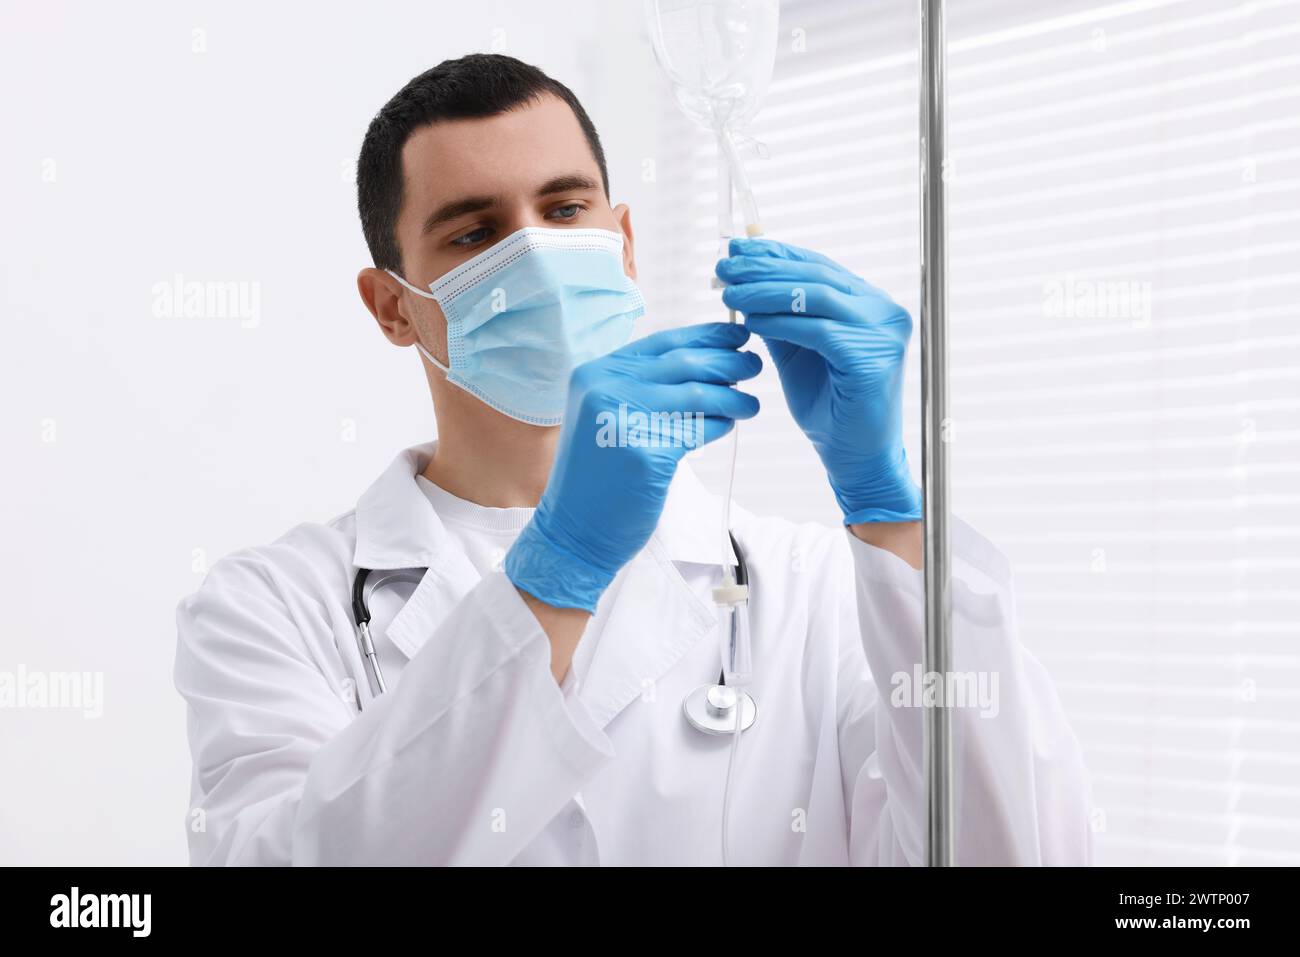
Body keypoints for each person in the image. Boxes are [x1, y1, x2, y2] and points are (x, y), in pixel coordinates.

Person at [174, 53, 1092, 866]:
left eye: (565, 209)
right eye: (474, 234)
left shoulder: (816, 594)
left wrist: (886, 506)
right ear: (392, 306)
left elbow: (1013, 853)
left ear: (624, 244)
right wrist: (560, 563)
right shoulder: (271, 607)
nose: (536, 254)